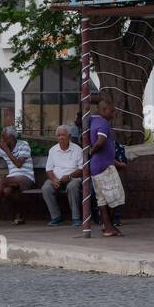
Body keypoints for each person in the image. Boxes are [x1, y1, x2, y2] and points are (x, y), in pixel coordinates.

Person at [0, 126, 35, 225]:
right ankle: (19, 215)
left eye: (3, 136)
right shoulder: (3, 147)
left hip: (26, 177)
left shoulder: (23, 145)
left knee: (2, 181)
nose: (1, 139)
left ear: (11, 137)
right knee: (7, 191)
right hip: (12, 179)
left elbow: (18, 164)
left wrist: (6, 150)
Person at [87, 95, 125, 236]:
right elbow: (101, 140)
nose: (113, 114)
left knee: (102, 198)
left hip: (97, 166)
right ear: (104, 109)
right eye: (111, 111)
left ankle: (106, 226)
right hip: (104, 166)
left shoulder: (93, 121)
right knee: (116, 197)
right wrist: (92, 151)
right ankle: (108, 226)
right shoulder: (103, 123)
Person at [42, 124, 85, 227]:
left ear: (69, 137)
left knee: (72, 186)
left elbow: (82, 169)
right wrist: (53, 179)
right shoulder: (53, 150)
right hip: (57, 178)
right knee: (46, 188)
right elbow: (49, 169)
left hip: (73, 178)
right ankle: (56, 217)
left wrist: (69, 176)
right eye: (59, 135)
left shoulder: (77, 149)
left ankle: (76, 218)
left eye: (63, 135)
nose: (61, 137)